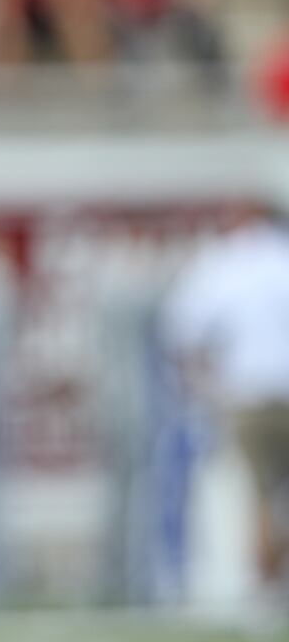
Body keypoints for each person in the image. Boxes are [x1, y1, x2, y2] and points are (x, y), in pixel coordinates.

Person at [161, 204, 289, 609]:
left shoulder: (225, 261)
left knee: (260, 494)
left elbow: (183, 325)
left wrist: (204, 386)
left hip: (248, 395)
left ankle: (268, 584)